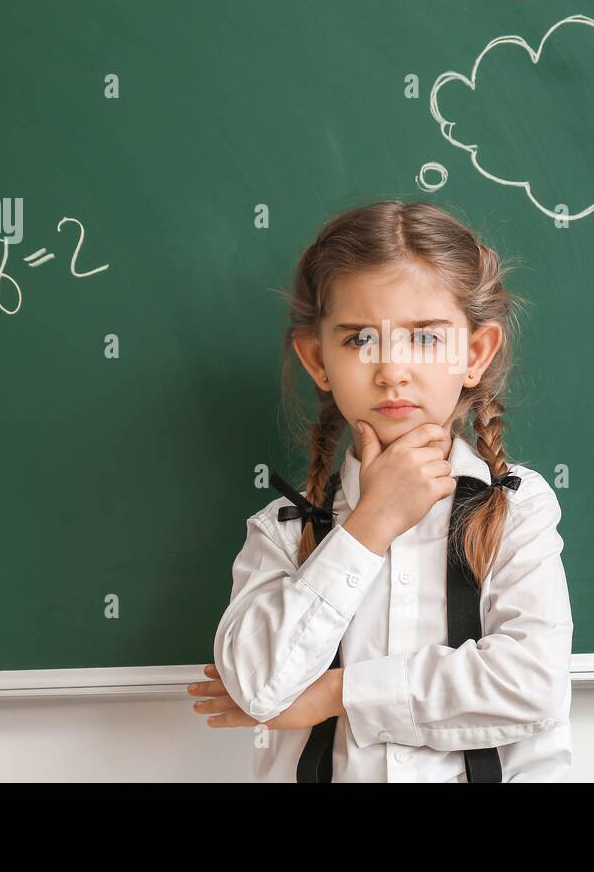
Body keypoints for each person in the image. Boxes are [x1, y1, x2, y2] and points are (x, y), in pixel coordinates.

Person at [191, 200, 574, 781]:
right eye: (359, 339)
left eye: (425, 338)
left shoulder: (516, 508)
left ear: (474, 354)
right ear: (318, 360)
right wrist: (370, 523)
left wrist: (338, 694)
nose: (391, 368)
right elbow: (255, 688)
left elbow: (531, 684)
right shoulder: (282, 529)